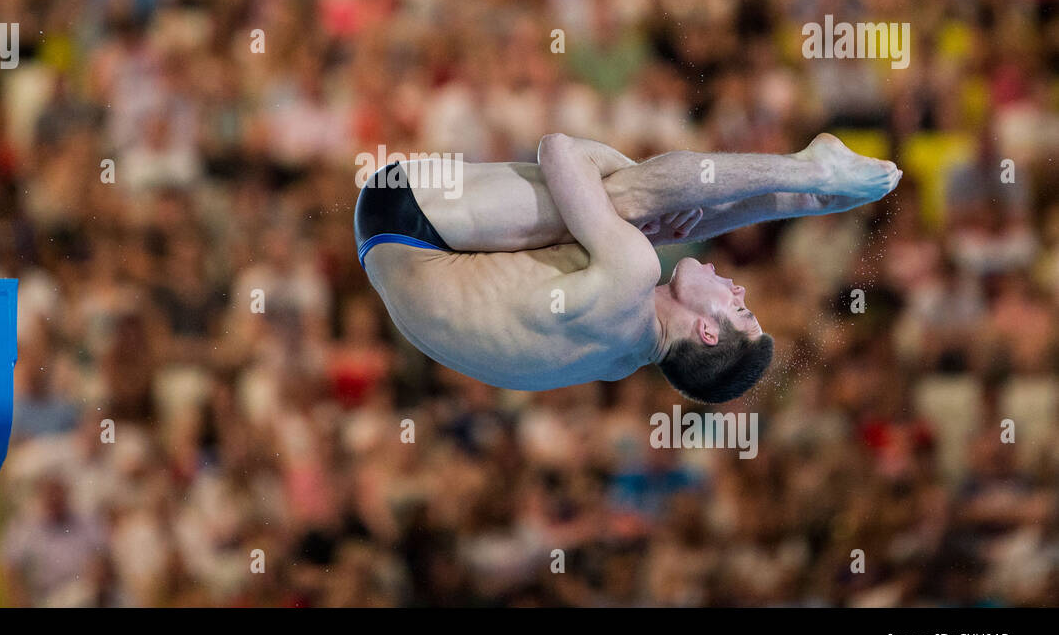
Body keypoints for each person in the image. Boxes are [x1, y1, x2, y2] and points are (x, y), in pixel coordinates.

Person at [354, 133, 901, 402]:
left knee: (634, 204)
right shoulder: (622, 354)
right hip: (402, 258)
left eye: (740, 307)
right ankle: (812, 198)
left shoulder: (630, 280)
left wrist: (635, 176)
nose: (737, 287)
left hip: (406, 210)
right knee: (637, 220)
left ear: (707, 332)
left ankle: (809, 171)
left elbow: (558, 148)